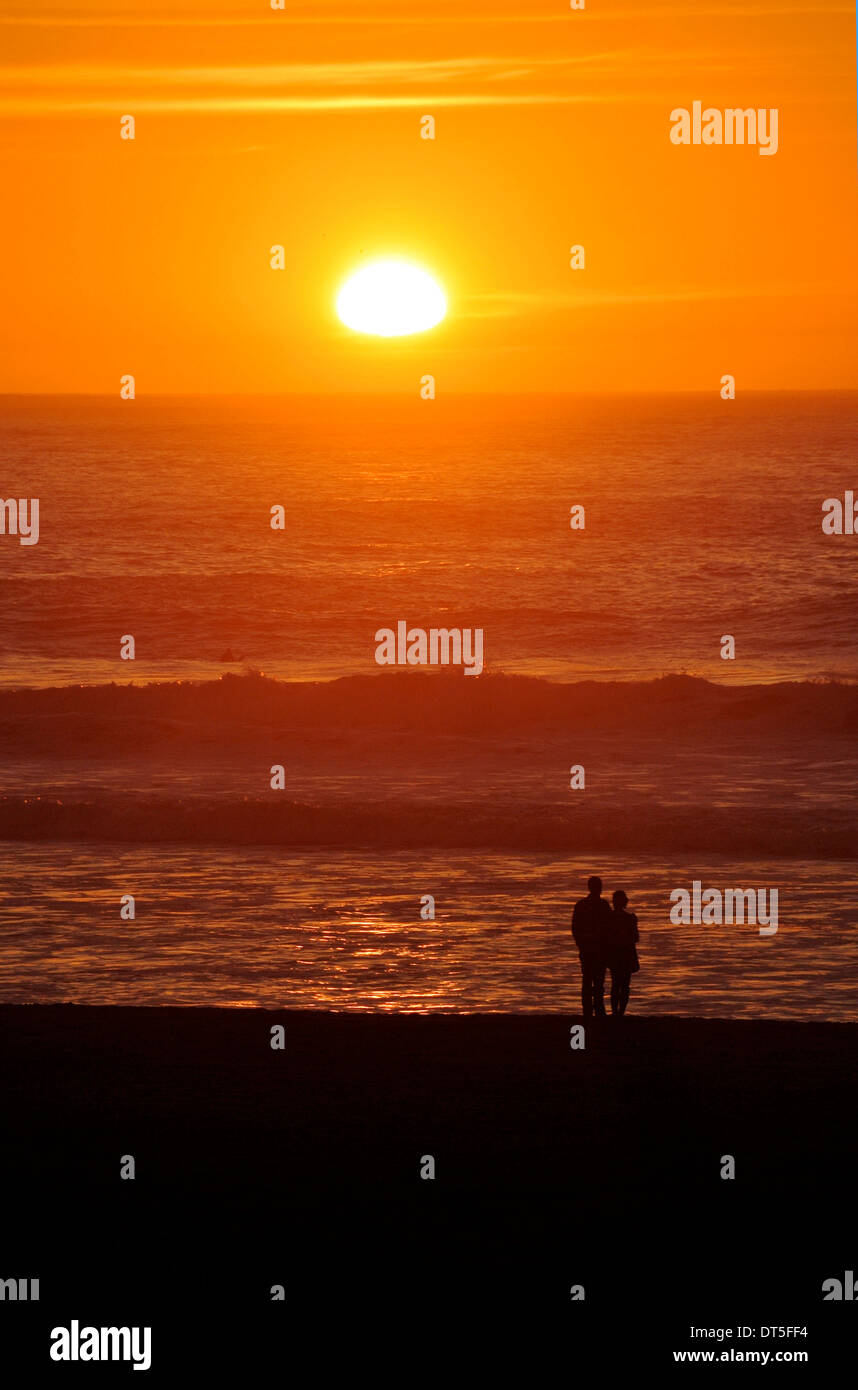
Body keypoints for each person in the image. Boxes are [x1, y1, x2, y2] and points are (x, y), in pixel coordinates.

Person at [571, 875, 612, 1019]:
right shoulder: (598, 906)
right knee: (592, 980)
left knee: (594, 980)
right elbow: (576, 929)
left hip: (594, 948)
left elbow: (575, 929)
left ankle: (592, 1010)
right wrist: (582, 944)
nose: (599, 889)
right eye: (597, 886)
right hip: (592, 948)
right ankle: (594, 1010)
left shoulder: (587, 905)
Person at [606, 889, 639, 1017]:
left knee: (615, 984)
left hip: (614, 955)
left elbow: (606, 938)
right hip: (626, 955)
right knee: (625, 985)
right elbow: (636, 938)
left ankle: (615, 1012)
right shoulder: (630, 919)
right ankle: (620, 1012)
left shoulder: (609, 919)